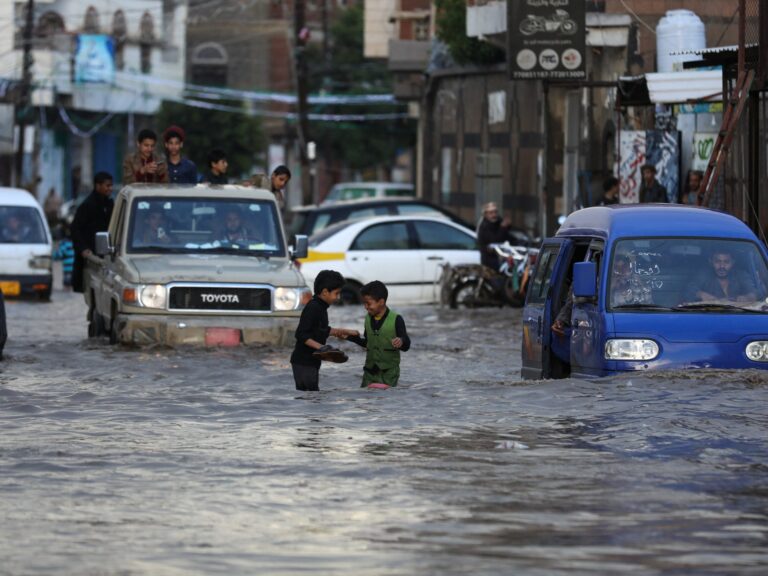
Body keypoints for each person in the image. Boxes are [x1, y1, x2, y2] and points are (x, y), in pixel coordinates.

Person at [290, 270, 358, 391]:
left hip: (311, 362)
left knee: (310, 396)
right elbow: (301, 334)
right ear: (325, 292)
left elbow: (321, 330)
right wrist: (322, 348)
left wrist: (346, 332)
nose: (338, 297)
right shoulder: (313, 307)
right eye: (336, 293)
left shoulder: (321, 307)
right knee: (310, 397)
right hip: (303, 362)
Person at [346, 280, 410, 388]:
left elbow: (407, 344)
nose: (366, 307)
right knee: (368, 401)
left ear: (381, 302)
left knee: (386, 401)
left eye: (369, 303)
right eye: (364, 303)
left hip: (389, 373)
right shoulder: (367, 318)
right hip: (369, 372)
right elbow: (367, 343)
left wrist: (401, 341)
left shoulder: (396, 319)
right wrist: (350, 337)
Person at [70, 172, 114, 293]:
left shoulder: (110, 205)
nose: (110, 189)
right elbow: (75, 229)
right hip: (91, 258)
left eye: (111, 186)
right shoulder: (87, 206)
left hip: (107, 256)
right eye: (107, 186)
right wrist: (83, 249)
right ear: (98, 186)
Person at [687, 249, 758, 302]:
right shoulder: (704, 274)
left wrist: (748, 297)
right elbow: (688, 290)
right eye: (717, 261)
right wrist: (700, 294)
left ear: (733, 262)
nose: (722, 266)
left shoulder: (741, 275)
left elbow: (757, 293)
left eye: (726, 262)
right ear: (711, 262)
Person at [477, 202, 511, 270]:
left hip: (501, 259)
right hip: (489, 261)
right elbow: (494, 241)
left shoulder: (498, 221)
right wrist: (503, 228)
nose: (494, 215)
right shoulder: (484, 226)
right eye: (491, 213)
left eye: (495, 212)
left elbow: (508, 236)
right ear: (486, 214)